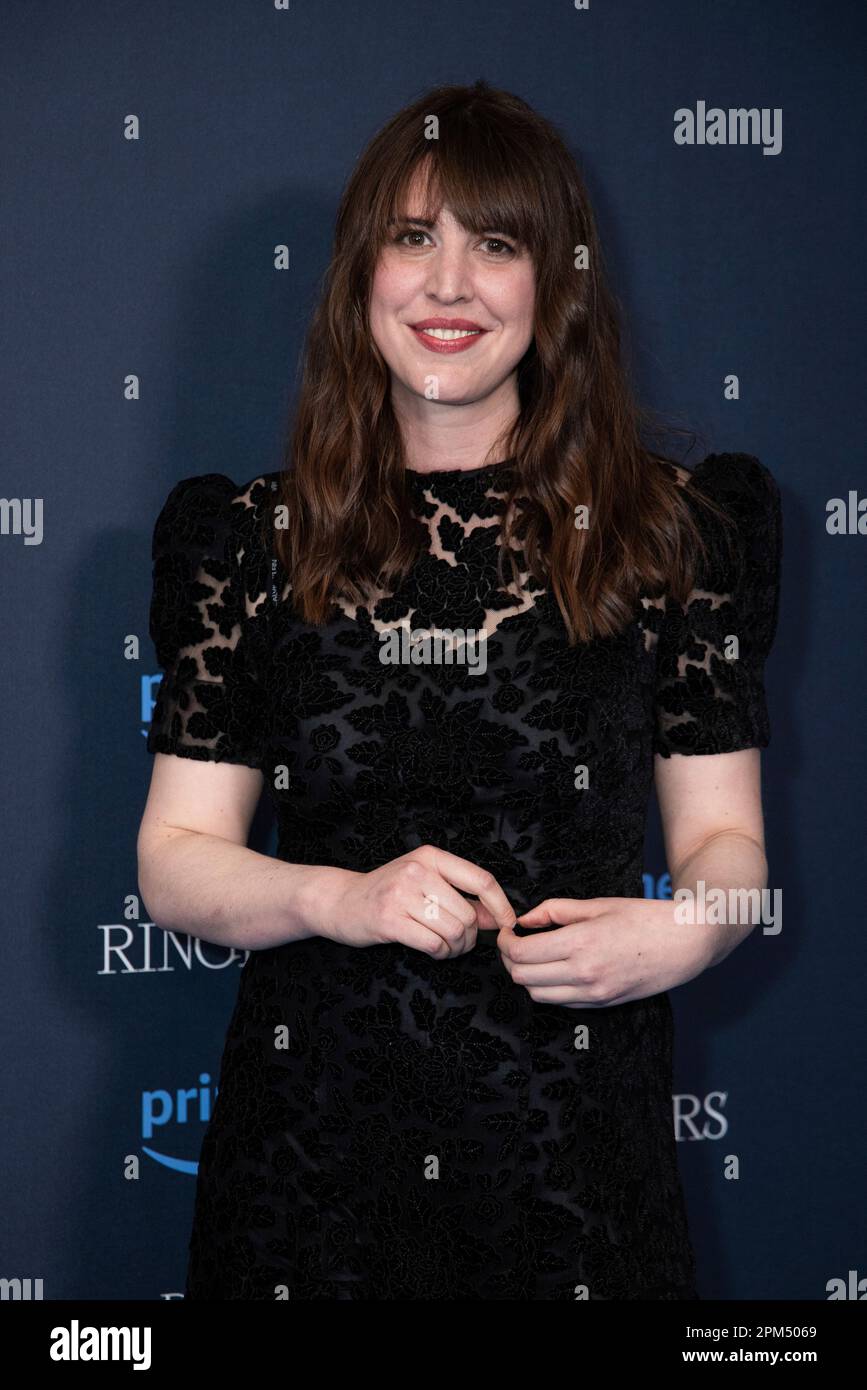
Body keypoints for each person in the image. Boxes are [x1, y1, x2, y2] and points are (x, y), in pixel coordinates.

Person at [137, 80, 782, 1300]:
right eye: (412, 237)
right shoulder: (251, 542)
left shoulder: (669, 533)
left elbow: (730, 845)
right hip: (311, 1171)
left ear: (554, 285)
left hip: (575, 1167)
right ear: (359, 274)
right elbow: (175, 858)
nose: (448, 285)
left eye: (496, 244)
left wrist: (681, 930)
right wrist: (341, 896)